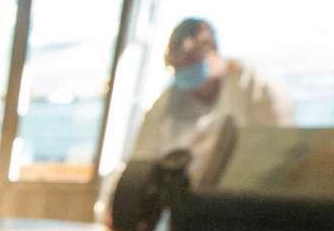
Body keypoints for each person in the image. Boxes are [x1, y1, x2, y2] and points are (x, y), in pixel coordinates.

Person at [103, 18, 291, 219]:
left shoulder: (256, 87)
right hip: (179, 213)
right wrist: (120, 204)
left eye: (192, 62)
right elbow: (142, 161)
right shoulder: (167, 102)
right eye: (178, 67)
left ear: (213, 53)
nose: (186, 73)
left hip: (246, 209)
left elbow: (279, 156)